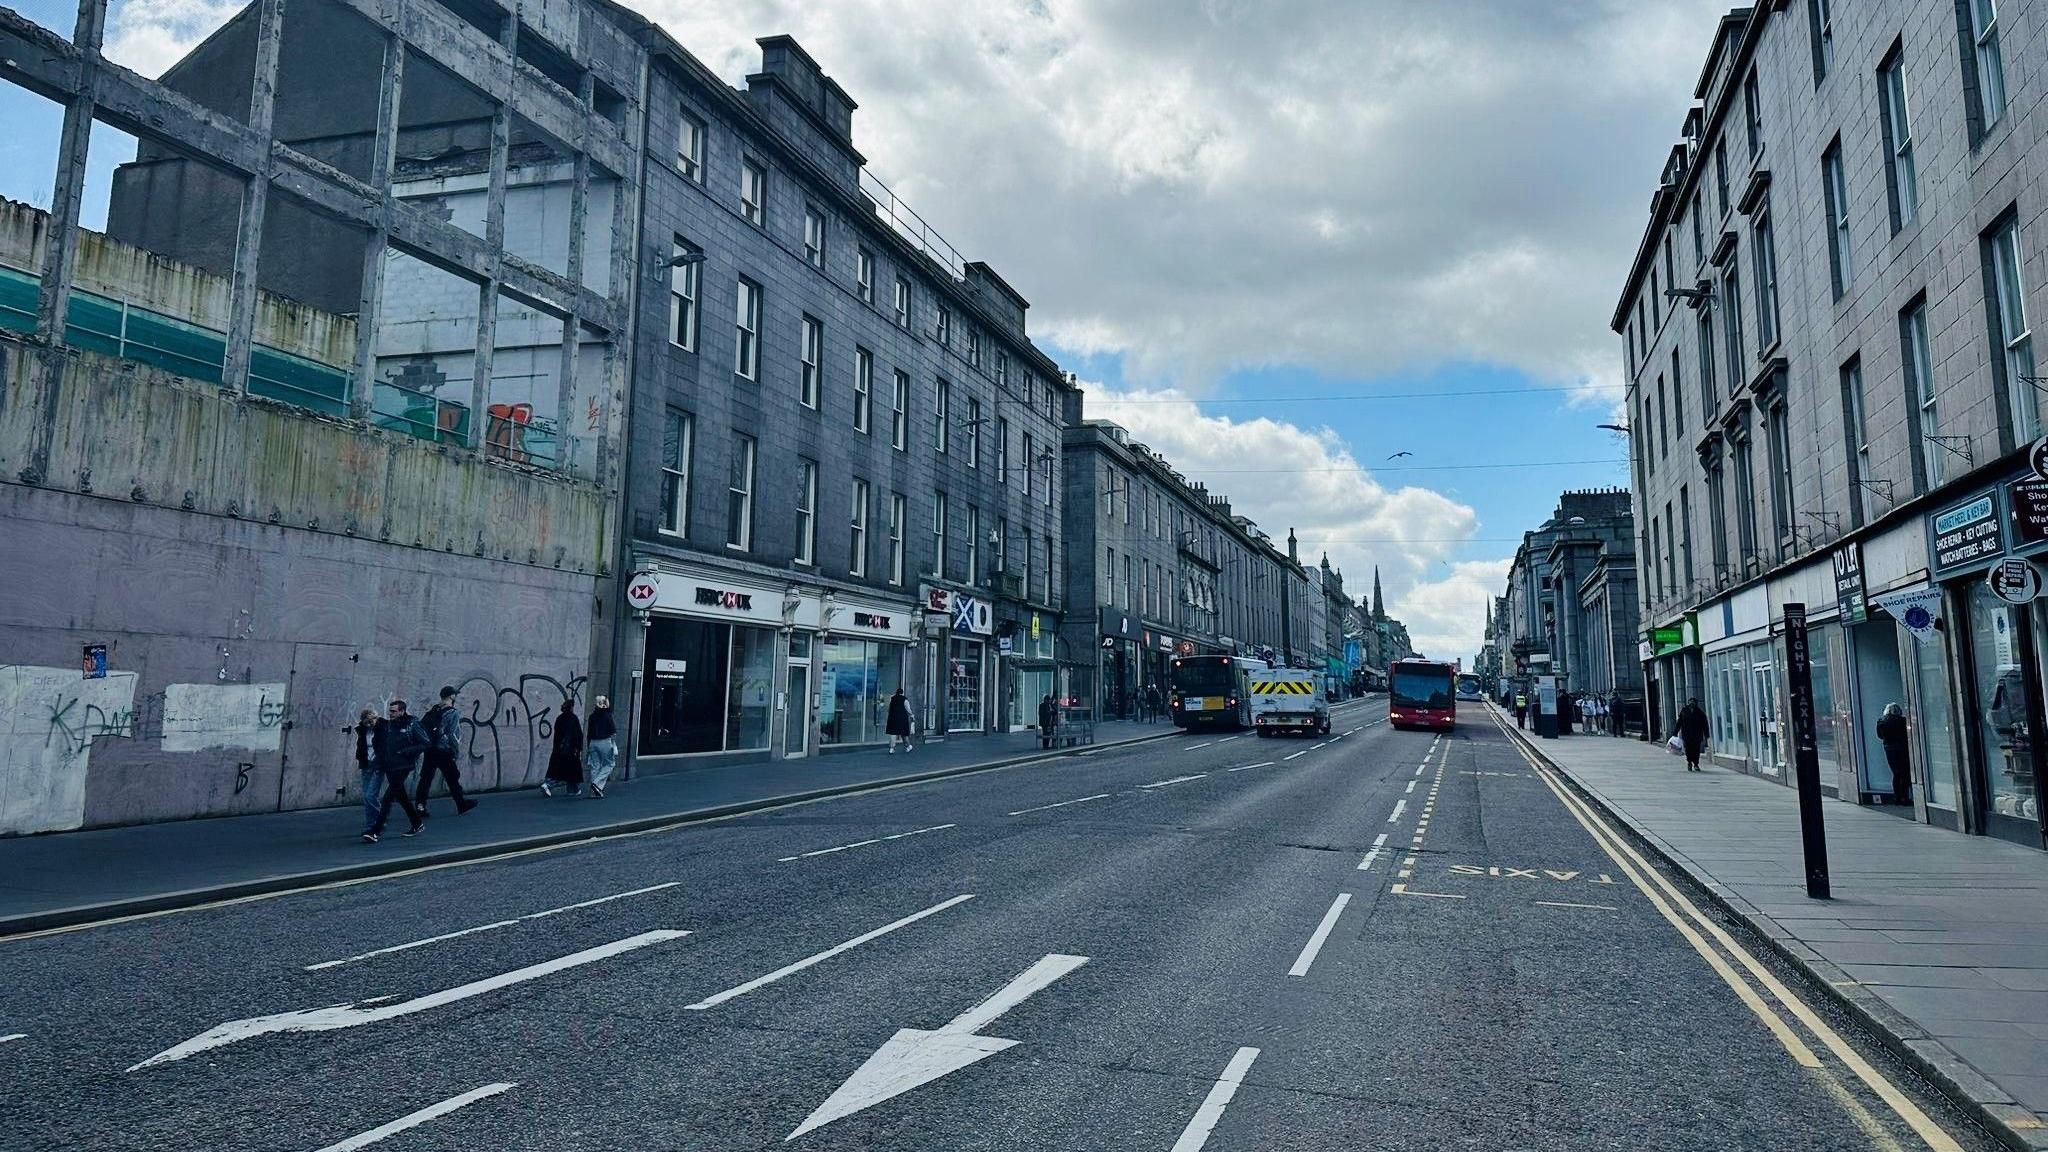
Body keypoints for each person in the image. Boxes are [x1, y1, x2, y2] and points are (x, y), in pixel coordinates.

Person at [366, 699, 428, 842]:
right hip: (390, 766)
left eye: (394, 711)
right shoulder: (389, 725)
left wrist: (406, 751)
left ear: (402, 711)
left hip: (403, 766)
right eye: (390, 711)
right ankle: (417, 823)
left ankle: (376, 831)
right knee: (402, 797)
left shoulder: (412, 724)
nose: (391, 714)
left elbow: (425, 743)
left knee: (388, 798)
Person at [414, 685, 476, 817]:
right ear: (451, 696)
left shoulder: (434, 709)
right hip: (443, 750)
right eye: (455, 695)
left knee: (425, 778)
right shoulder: (452, 712)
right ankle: (461, 804)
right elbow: (453, 734)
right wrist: (455, 750)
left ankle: (420, 806)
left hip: (430, 749)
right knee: (452, 777)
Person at [543, 698, 585, 796]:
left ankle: (572, 789)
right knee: (567, 770)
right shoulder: (573, 719)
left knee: (558, 769)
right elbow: (577, 734)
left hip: (559, 749)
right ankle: (550, 785)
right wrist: (578, 747)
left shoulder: (559, 718)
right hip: (570, 750)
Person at [352, 709, 382, 840]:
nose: (372, 722)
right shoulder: (362, 731)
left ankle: (378, 824)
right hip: (366, 765)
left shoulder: (382, 730)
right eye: (369, 720)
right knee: (366, 796)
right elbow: (360, 748)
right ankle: (371, 824)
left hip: (378, 766)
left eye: (374, 719)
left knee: (371, 795)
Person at [1877, 703, 1912, 805]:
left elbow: (1880, 736)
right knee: (1905, 773)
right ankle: (1904, 797)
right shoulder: (1902, 721)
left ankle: (1897, 797)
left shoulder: (1881, 722)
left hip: (1889, 749)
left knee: (1896, 774)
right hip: (1902, 748)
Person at [585, 695, 617, 798]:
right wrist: (613, 743)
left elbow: (588, 732)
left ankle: (593, 792)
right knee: (609, 764)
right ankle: (596, 784)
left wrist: (588, 745)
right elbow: (613, 732)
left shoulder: (592, 716)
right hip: (604, 741)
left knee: (595, 766)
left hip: (592, 742)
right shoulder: (607, 715)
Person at [1676, 696, 1710, 772]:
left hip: (1697, 735)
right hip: (1686, 734)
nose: (1691, 703)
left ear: (1696, 703)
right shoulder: (1684, 711)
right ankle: (1689, 762)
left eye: (1693, 702)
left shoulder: (1700, 713)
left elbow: (1705, 724)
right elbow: (1679, 722)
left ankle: (1696, 764)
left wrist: (1706, 734)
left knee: (1696, 750)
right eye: (1690, 702)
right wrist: (1675, 732)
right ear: (1688, 703)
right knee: (1688, 749)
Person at [886, 687, 914, 754]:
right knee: (904, 733)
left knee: (893, 733)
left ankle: (891, 748)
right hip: (902, 718)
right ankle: (908, 746)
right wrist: (912, 714)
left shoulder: (892, 698)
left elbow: (889, 708)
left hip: (892, 718)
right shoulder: (904, 699)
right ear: (902, 693)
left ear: (896, 692)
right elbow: (908, 709)